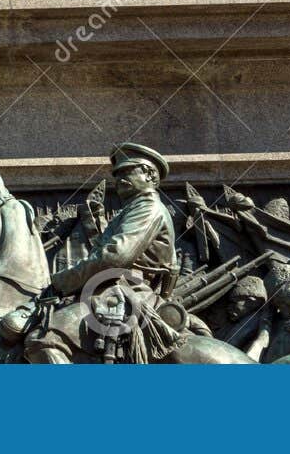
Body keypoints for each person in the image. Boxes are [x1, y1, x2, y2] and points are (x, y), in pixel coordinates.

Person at [24, 143, 182, 363]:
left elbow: (115, 256)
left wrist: (61, 282)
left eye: (127, 171)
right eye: (117, 175)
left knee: (43, 340)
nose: (119, 179)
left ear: (149, 176)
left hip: (126, 290)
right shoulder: (132, 208)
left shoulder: (147, 207)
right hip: (109, 287)